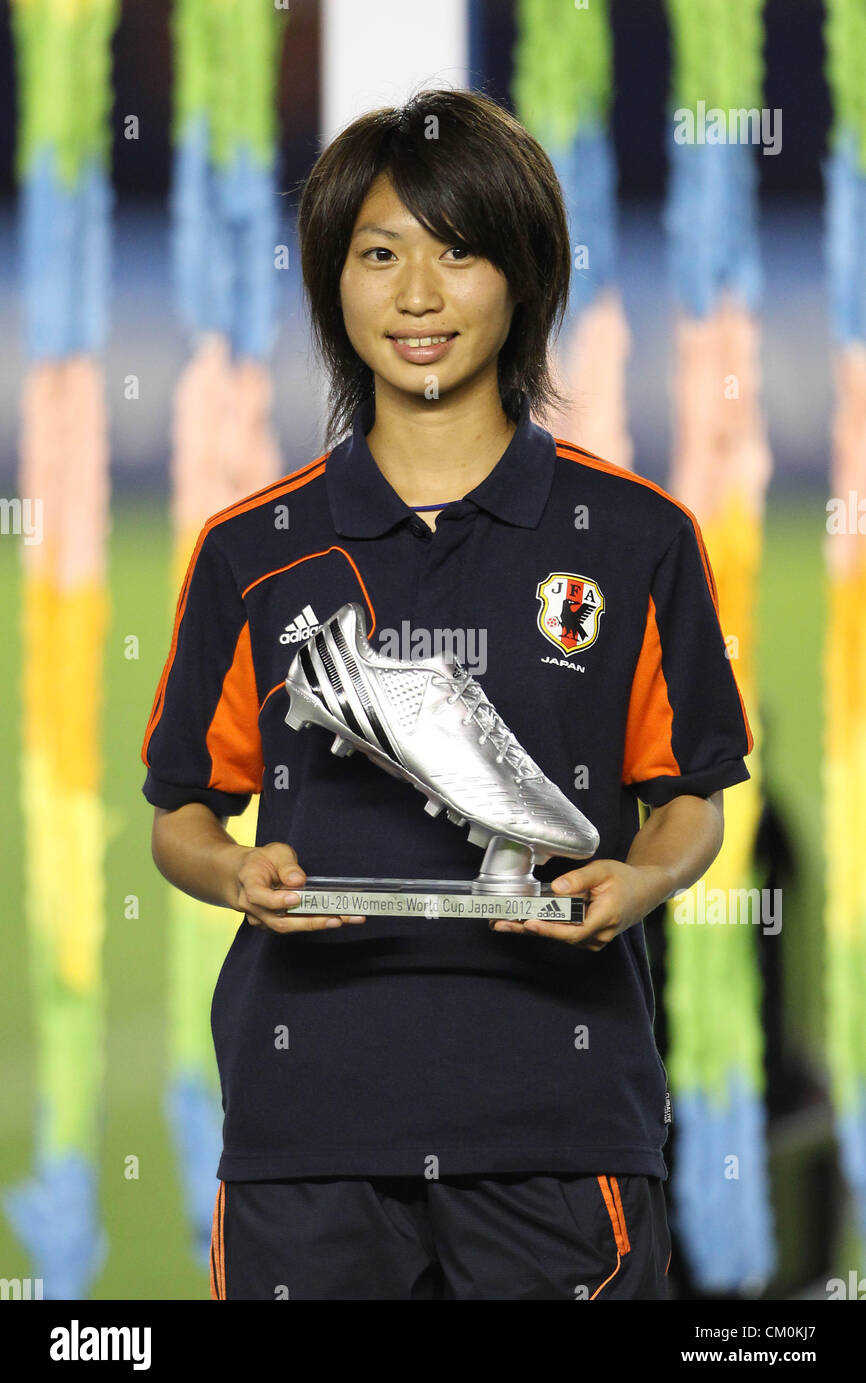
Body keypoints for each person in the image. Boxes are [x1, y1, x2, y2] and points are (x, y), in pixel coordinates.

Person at [141, 88, 752, 1301]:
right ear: (331, 283)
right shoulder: (249, 554)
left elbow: (689, 802)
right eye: (378, 255)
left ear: (523, 275)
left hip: (558, 1125)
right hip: (305, 1129)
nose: (416, 295)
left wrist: (641, 879)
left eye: (457, 251)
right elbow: (181, 819)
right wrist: (233, 872)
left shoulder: (633, 539)